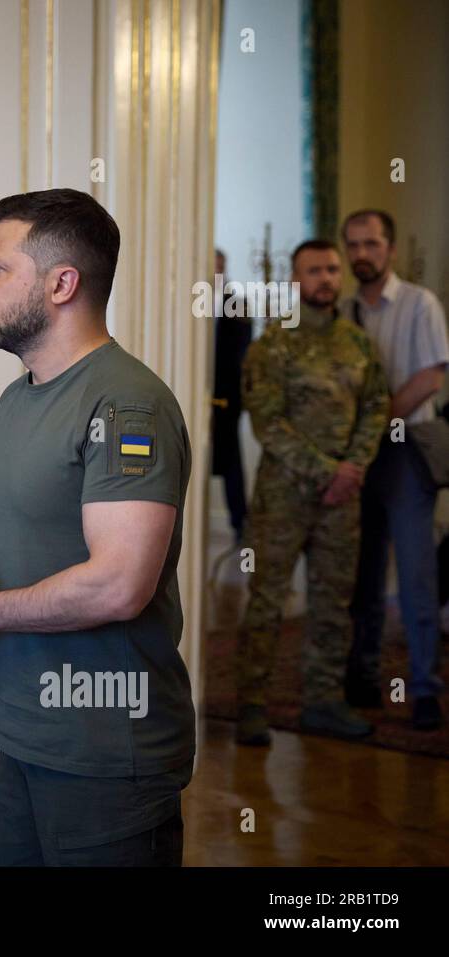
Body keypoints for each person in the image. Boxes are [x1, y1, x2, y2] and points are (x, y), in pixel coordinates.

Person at [0, 188, 195, 866]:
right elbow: (6, 509)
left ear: (63, 283)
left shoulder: (127, 404)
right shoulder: (21, 393)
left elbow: (120, 583)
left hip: (107, 752)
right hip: (26, 733)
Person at [234, 240, 388, 746]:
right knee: (267, 600)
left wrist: (354, 468)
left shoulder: (358, 344)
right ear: (295, 280)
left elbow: (376, 408)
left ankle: (323, 701)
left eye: (332, 269)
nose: (325, 278)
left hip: (342, 500)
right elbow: (268, 424)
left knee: (332, 601)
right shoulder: (273, 343)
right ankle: (251, 705)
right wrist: (329, 472)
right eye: (314, 270)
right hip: (284, 497)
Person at [342, 209, 449, 731]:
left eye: (372, 243)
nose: (362, 253)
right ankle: (361, 679)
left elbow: (431, 378)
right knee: (360, 577)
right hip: (359, 459)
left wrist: (375, 423)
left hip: (406, 452)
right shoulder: (341, 311)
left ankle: (426, 689)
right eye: (354, 245)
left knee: (415, 575)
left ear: (391, 250)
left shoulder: (419, 304)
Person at [211, 248, 253, 541]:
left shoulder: (235, 303)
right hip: (200, 392)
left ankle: (241, 524)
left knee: (230, 459)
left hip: (226, 393)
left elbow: (238, 352)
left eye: (219, 268)